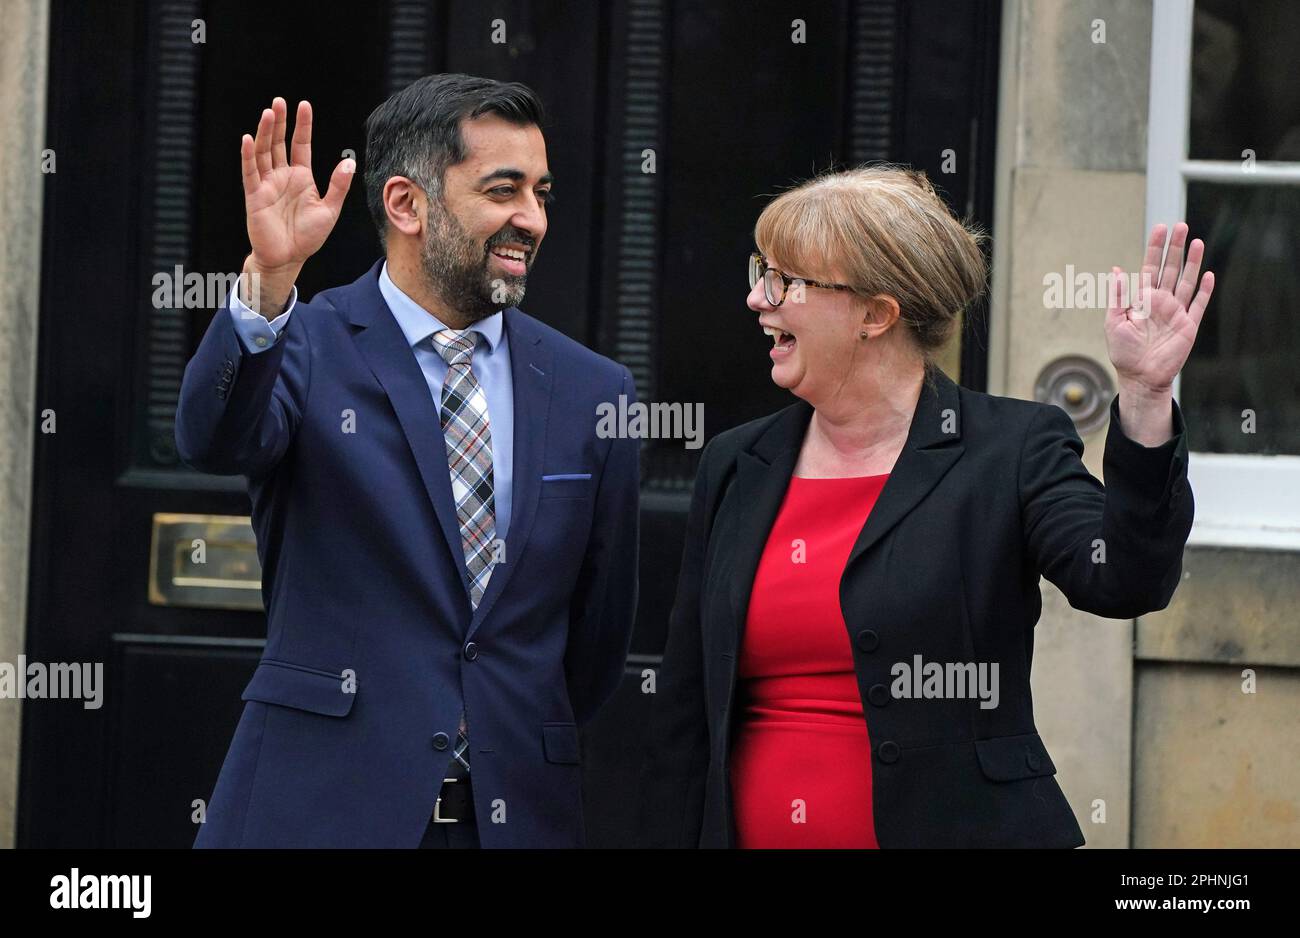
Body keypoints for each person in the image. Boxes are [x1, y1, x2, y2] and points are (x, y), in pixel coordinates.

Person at [638, 165, 1213, 848]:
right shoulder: (738, 463)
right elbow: (683, 709)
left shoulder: (1011, 449)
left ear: (876, 316)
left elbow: (1126, 580)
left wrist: (1146, 400)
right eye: (761, 272)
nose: (757, 300)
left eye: (785, 281)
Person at [178, 73, 639, 848]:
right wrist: (269, 283)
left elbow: (594, 639)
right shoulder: (307, 343)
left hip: (513, 819)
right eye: (503, 190)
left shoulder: (595, 389)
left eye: (540, 192)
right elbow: (213, 439)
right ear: (407, 205)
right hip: (317, 814)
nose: (531, 218)